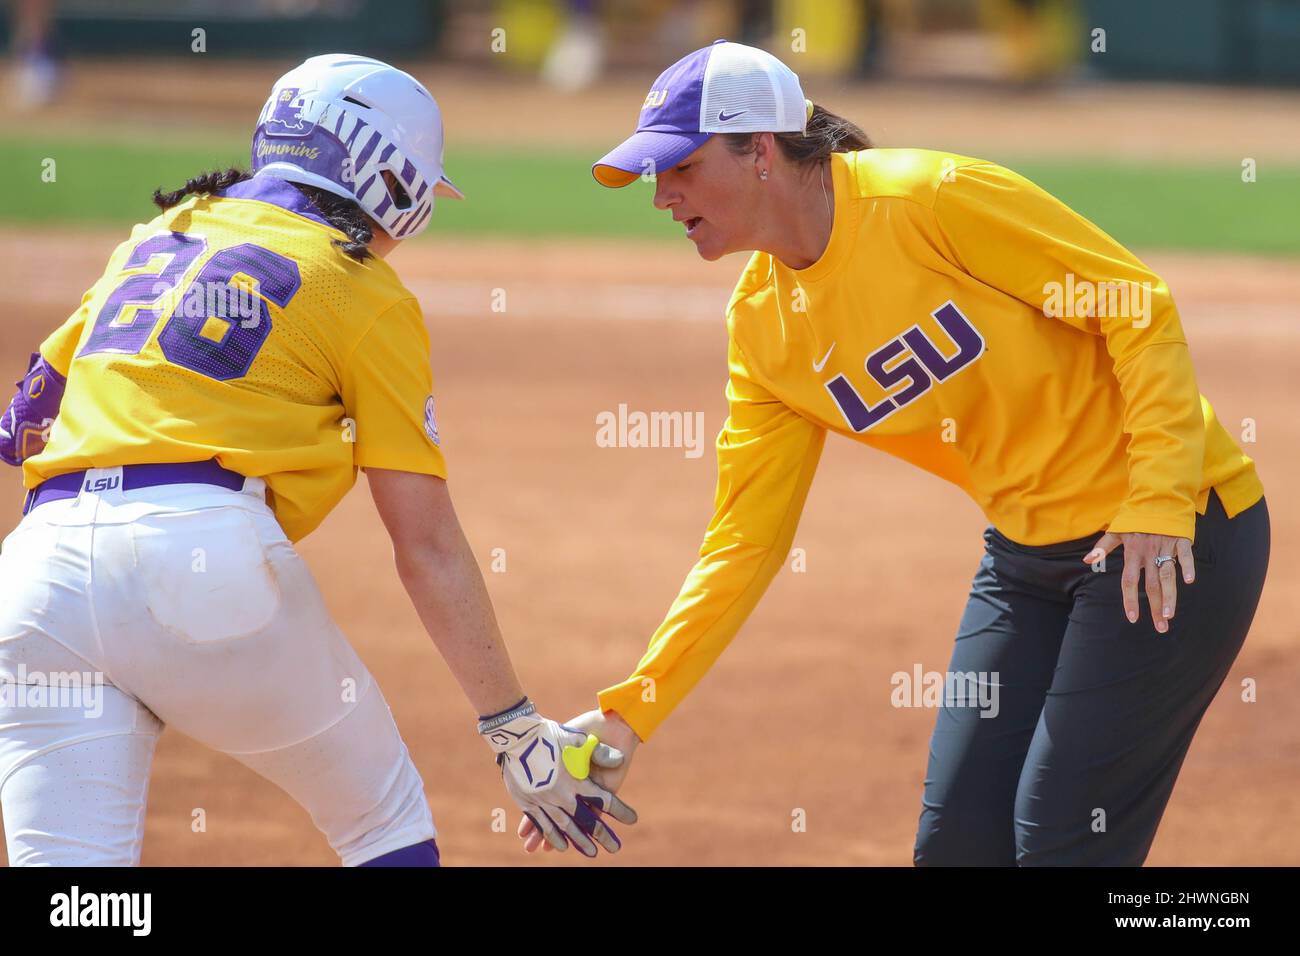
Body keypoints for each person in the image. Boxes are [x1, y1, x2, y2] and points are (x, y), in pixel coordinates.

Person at [519, 39, 1269, 865]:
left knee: (1060, 837)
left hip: (1170, 537)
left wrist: (1160, 499)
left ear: (760, 150)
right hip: (1026, 560)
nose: (661, 195)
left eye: (680, 167)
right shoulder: (762, 330)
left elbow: (1134, 304)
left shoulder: (927, 200)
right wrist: (632, 713)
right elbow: (745, 542)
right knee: (956, 845)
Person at [0, 53, 633, 866]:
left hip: (34, 583)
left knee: (77, 894)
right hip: (201, 562)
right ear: (388, 179)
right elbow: (425, 544)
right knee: (383, 824)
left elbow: (21, 424)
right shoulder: (362, 291)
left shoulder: (161, 233)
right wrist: (512, 727)